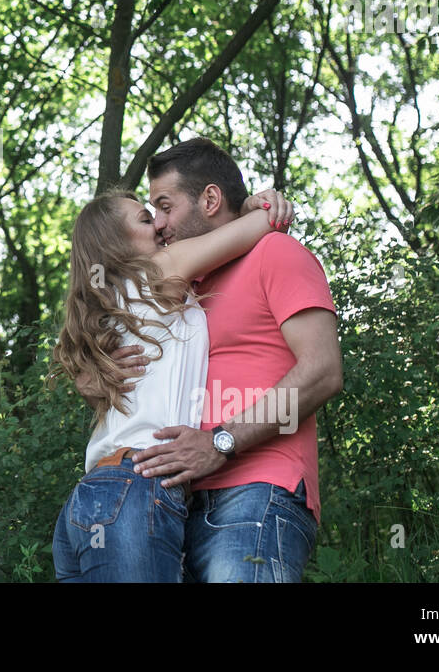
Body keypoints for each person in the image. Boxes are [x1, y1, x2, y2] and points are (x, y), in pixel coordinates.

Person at [124, 137, 342, 582]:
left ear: (209, 198)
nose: (158, 224)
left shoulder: (275, 252)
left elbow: (322, 372)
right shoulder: (182, 286)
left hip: (258, 490)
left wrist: (220, 442)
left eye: (165, 206)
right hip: (172, 502)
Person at [49, 186, 294, 582]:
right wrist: (253, 206)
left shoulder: (106, 304)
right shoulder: (161, 271)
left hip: (89, 502)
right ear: (115, 241)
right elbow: (267, 223)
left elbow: (88, 381)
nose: (159, 226)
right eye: (146, 219)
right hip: (135, 488)